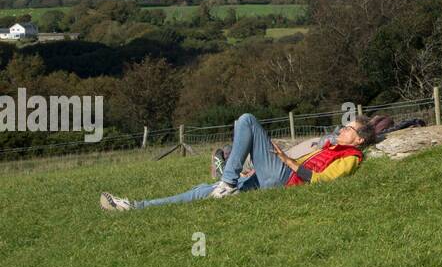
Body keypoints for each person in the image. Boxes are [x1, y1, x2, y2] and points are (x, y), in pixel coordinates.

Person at [100, 112, 374, 211]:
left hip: (284, 178)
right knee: (201, 190)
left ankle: (228, 181)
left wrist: (288, 161)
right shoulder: (334, 144)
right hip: (274, 174)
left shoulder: (350, 157)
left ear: (359, 140)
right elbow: (319, 151)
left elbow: (322, 180)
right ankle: (135, 207)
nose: (344, 129)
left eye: (349, 128)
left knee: (247, 120)